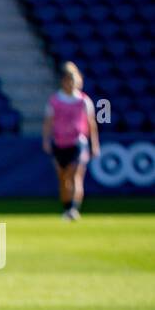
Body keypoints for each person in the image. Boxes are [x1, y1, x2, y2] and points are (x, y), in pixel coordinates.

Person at [43, 62, 100, 221]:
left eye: (74, 80)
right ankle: (67, 208)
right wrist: (46, 140)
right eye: (68, 80)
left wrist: (94, 144)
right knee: (63, 178)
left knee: (75, 175)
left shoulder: (83, 101)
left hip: (77, 142)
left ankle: (74, 209)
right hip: (60, 143)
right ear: (63, 81)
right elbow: (48, 121)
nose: (71, 83)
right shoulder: (55, 100)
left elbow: (91, 123)